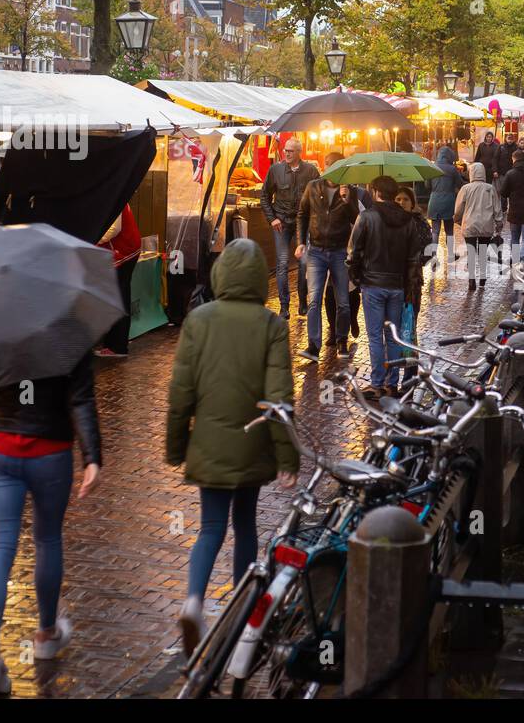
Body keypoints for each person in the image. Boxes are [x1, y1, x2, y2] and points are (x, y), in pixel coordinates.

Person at [167, 238, 298, 657]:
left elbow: (180, 391)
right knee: (245, 524)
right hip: (252, 441)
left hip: (208, 440)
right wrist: (287, 455)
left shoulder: (198, 321)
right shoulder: (271, 325)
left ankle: (192, 601)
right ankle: (241, 607)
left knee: (209, 527)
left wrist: (176, 445)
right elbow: (279, 396)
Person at [0, 355, 101, 695]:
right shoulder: (69, 332)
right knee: (47, 539)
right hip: (50, 450)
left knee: (0, 546)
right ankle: (46, 634)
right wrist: (92, 456)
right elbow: (80, 397)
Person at [348, 176, 424, 399]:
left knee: (374, 336)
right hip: (397, 285)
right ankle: (392, 383)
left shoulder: (367, 216)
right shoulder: (408, 220)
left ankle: (377, 382)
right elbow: (413, 258)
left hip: (373, 284)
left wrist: (357, 277)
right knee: (393, 336)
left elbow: (354, 252)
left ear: (375, 192)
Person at [296, 160, 359, 361]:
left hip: (340, 251)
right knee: (314, 300)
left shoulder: (350, 191)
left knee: (343, 301)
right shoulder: (313, 187)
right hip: (316, 251)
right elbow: (302, 214)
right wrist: (300, 242)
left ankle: (341, 341)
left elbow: (356, 219)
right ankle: (313, 346)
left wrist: (347, 200)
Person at [259, 137, 319, 319]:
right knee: (282, 264)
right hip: (282, 222)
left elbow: (319, 195)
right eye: (285, 150)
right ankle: (284, 307)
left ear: (299, 153)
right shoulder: (276, 169)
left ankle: (302, 302)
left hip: (303, 223)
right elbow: (264, 196)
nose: (286, 153)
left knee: (303, 263)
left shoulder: (310, 170)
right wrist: (272, 219)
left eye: (290, 151)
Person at [97, 204, 141, 357]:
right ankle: (114, 343)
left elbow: (113, 229)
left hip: (124, 251)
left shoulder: (114, 195)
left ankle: (118, 346)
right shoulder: (114, 191)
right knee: (118, 295)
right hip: (125, 249)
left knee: (119, 297)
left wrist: (94, 240)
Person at [394, 187, 431, 357]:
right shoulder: (389, 221)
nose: (401, 202)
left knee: (410, 315)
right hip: (392, 277)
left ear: (412, 202)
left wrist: (414, 261)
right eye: (398, 199)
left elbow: (428, 251)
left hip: (412, 278)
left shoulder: (419, 222)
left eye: (405, 199)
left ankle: (409, 354)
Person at [453, 161, 500, 292]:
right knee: (483, 252)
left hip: (470, 225)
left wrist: (457, 219)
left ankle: (471, 280)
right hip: (486, 226)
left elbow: (458, 209)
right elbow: (497, 208)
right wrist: (499, 223)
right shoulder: (490, 188)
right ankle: (483, 278)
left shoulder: (466, 188)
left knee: (471, 253)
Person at [427, 145, 465, 264]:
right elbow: (460, 184)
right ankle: (450, 255)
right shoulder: (452, 169)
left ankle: (433, 256)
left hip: (434, 200)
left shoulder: (432, 167)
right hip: (449, 201)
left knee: (435, 231)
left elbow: (427, 186)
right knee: (449, 230)